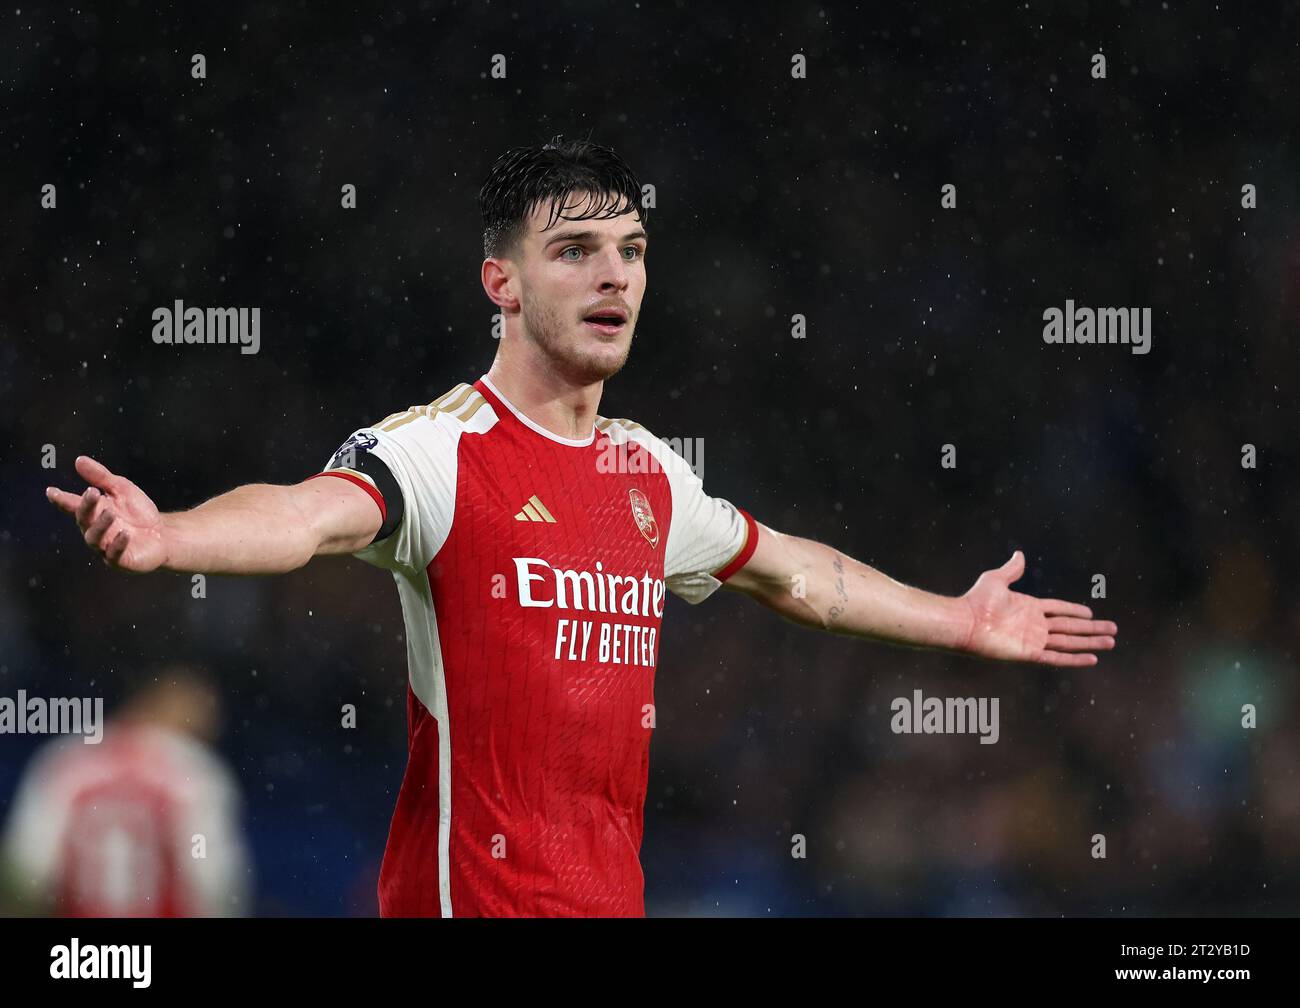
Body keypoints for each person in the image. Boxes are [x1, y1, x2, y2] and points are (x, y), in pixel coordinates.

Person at [44, 136, 1117, 917]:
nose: (615, 274)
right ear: (499, 282)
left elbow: (794, 573)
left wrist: (958, 622)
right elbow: (306, 515)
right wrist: (172, 535)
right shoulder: (443, 449)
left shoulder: (646, 474)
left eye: (633, 248)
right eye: (577, 250)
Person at [2, 666, 250, 916]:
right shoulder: (194, 774)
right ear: (160, 697)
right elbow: (213, 876)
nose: (212, 720)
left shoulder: (65, 762)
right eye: (200, 703)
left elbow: (28, 869)